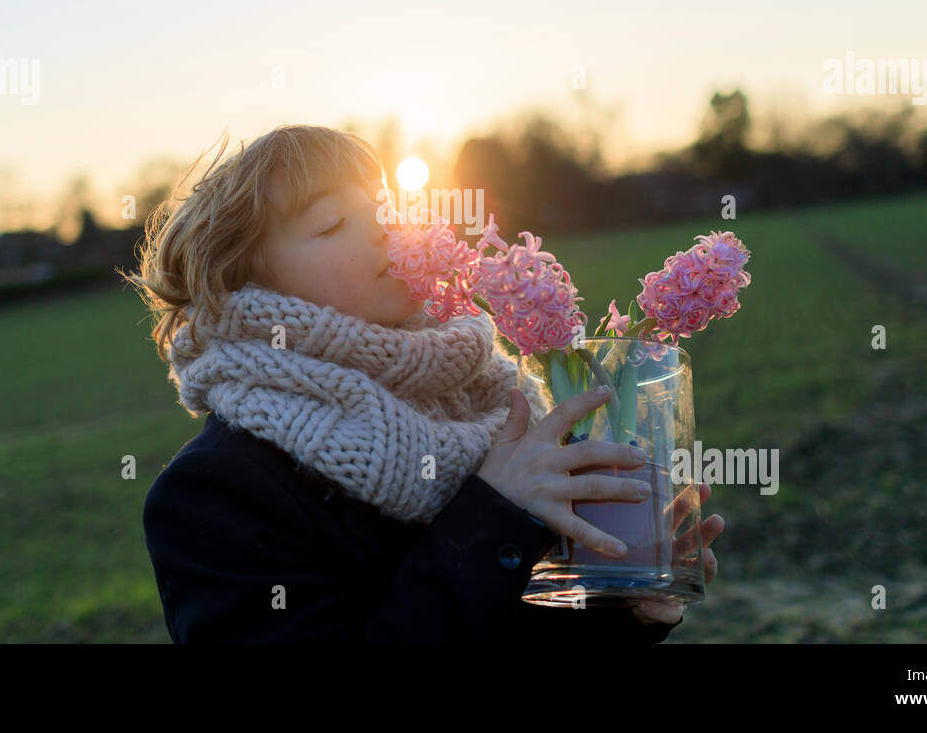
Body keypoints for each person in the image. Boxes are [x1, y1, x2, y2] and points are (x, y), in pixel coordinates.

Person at [127, 124, 724, 642]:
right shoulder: (214, 494)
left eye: (385, 203)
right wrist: (494, 516)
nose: (388, 228)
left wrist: (629, 610)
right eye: (333, 221)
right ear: (246, 281)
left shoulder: (496, 400)